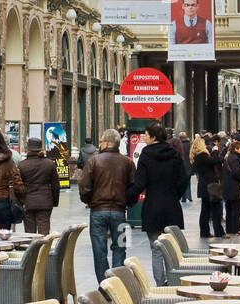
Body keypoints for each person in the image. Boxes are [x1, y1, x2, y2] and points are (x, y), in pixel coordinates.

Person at [127, 122, 187, 284]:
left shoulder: (146, 154)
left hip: (152, 207)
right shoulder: (174, 154)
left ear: (153, 137)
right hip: (172, 207)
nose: (144, 137)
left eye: (146, 135)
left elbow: (140, 182)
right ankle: (173, 281)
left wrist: (128, 199)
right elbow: (183, 179)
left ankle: (161, 284)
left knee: (156, 250)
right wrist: (175, 195)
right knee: (171, 248)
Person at [79, 128, 136, 283]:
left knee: (99, 251)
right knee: (120, 247)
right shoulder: (127, 162)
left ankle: (104, 285)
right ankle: (116, 282)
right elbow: (133, 187)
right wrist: (127, 202)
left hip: (98, 212)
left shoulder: (93, 161)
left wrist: (89, 201)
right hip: (119, 212)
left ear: (105, 143)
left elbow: (84, 187)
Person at [18, 137, 60, 234]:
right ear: (41, 149)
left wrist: (21, 201)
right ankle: (43, 249)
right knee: (44, 232)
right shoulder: (49, 164)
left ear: (28, 149)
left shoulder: (22, 165)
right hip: (45, 201)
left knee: (29, 232)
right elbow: (55, 185)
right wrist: (54, 201)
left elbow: (19, 186)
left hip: (28, 202)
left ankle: (31, 248)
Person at [190, 133, 224, 240]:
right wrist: (214, 151)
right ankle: (219, 232)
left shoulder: (197, 157)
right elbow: (216, 161)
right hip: (210, 185)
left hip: (204, 186)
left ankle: (204, 232)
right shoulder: (202, 156)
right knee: (215, 209)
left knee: (205, 210)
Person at [222, 140, 240, 236]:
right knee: (236, 208)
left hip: (228, 186)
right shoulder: (235, 158)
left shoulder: (229, 157)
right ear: (236, 149)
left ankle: (230, 228)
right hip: (234, 186)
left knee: (229, 208)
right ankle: (236, 228)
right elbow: (236, 172)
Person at [178, 131, 193, 201]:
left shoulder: (178, 145)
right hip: (189, 165)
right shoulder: (190, 144)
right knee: (188, 182)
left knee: (182, 182)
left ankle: (184, 198)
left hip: (181, 166)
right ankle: (189, 196)